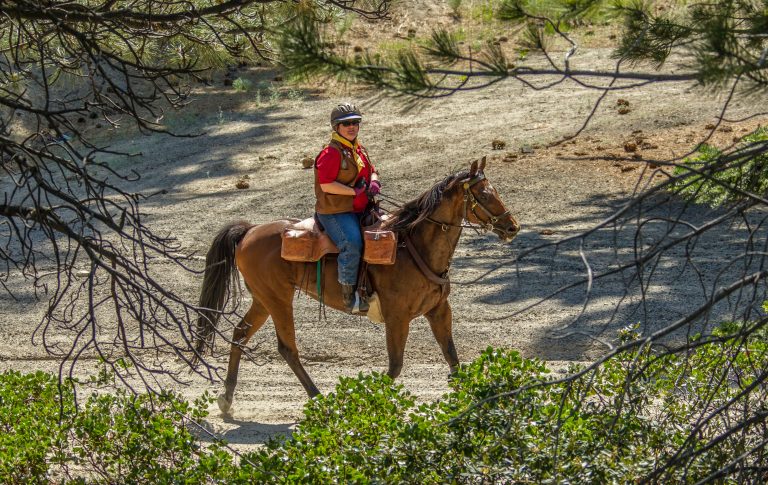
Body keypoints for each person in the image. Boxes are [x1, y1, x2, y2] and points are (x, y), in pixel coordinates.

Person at [314, 103, 381, 314]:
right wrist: (355, 192)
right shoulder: (330, 153)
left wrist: (374, 182)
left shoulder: (359, 149)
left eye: (355, 123)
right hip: (335, 211)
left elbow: (373, 171)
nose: (351, 127)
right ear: (337, 127)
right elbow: (326, 185)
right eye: (346, 124)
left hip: (360, 208)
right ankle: (349, 295)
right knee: (351, 242)